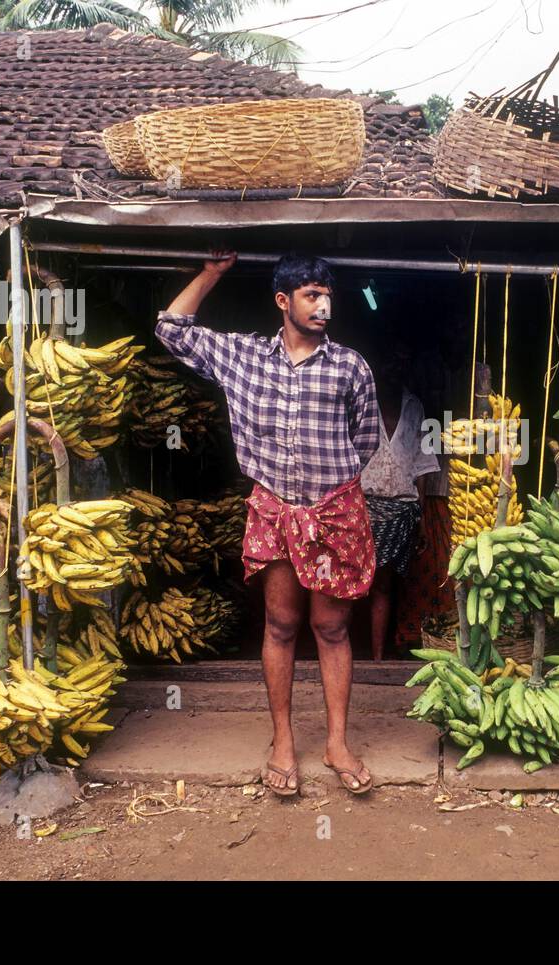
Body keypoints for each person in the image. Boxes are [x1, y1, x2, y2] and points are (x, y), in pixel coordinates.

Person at [156, 251, 382, 797]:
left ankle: (336, 742)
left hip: (335, 511)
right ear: (283, 301)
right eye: (310, 294)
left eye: (327, 294)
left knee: (330, 628)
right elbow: (170, 328)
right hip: (273, 511)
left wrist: (323, 489)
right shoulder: (243, 357)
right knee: (280, 625)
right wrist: (212, 274)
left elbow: (366, 439)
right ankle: (283, 740)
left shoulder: (350, 366)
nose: (323, 304)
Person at [360, 343, 440, 660]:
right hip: (363, 504)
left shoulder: (414, 406)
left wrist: (419, 512)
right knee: (351, 581)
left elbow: (422, 460)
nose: (394, 372)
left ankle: (377, 658)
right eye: (388, 365)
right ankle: (341, 650)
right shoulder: (362, 405)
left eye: (400, 365)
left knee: (383, 584)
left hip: (401, 507)